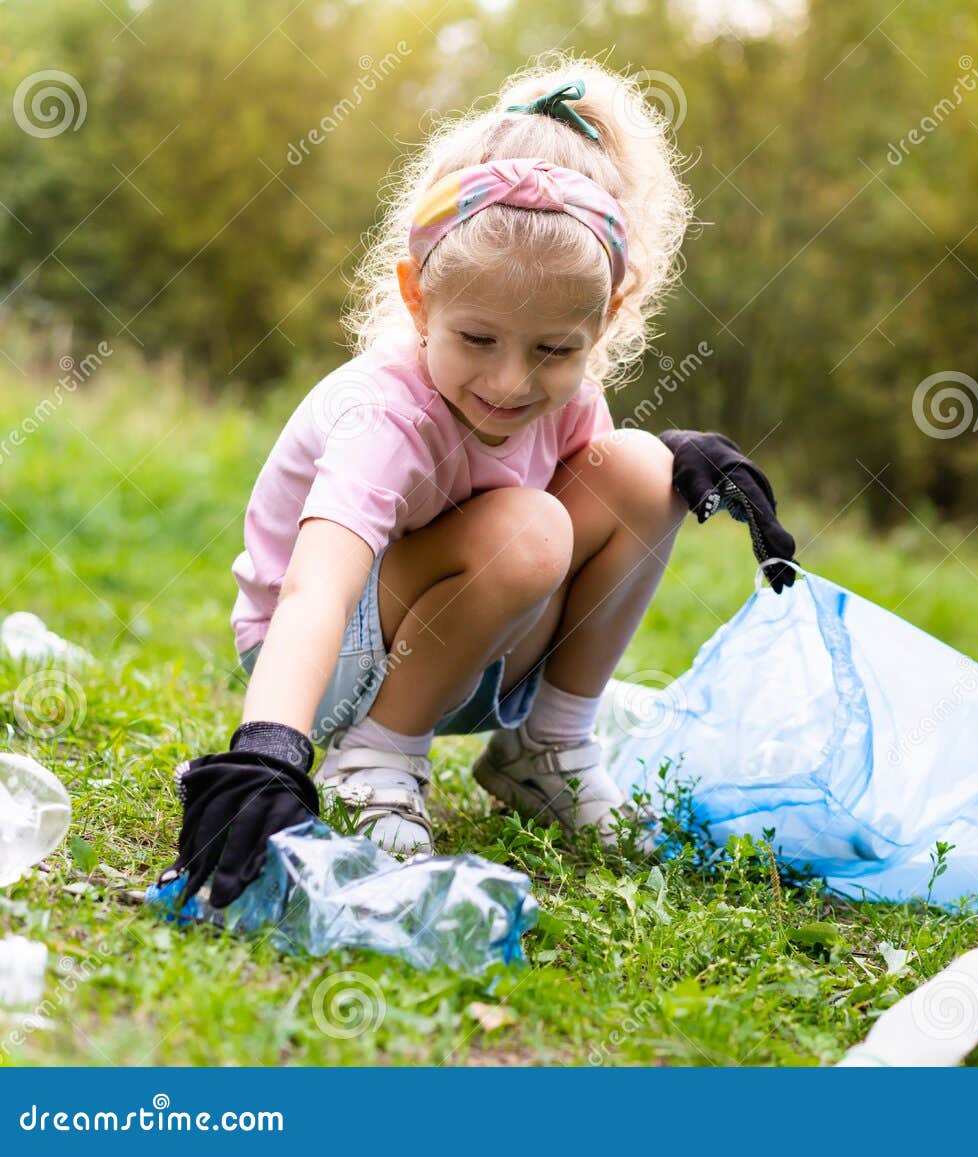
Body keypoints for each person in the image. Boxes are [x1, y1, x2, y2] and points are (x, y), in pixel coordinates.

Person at [164, 58, 796, 911]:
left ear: (604, 321)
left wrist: (677, 468)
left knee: (645, 470)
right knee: (530, 527)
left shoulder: (571, 403)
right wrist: (267, 747)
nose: (509, 384)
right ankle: (375, 757)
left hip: (476, 654)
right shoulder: (384, 414)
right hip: (325, 659)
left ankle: (546, 752)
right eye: (477, 338)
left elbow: (597, 528)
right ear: (417, 300)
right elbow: (316, 588)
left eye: (553, 350)